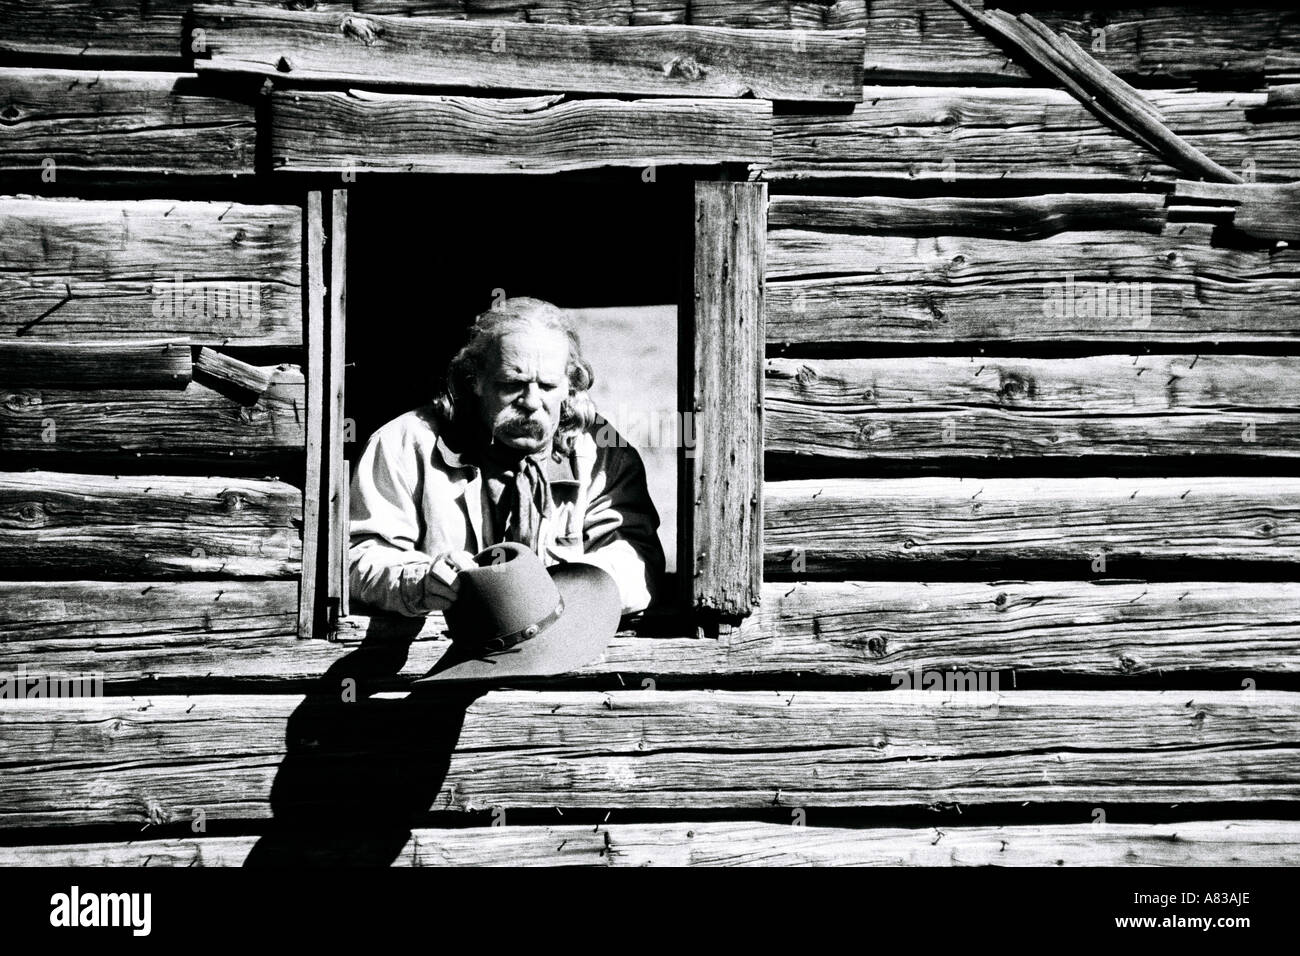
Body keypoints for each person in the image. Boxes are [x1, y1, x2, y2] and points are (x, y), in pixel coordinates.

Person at [348, 296, 665, 618]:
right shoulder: (407, 442)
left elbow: (637, 558)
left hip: (562, 642)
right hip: (439, 647)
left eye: (547, 386)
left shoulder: (601, 454)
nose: (530, 401)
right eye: (512, 384)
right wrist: (421, 582)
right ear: (475, 380)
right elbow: (360, 557)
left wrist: (561, 591)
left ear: (570, 387)